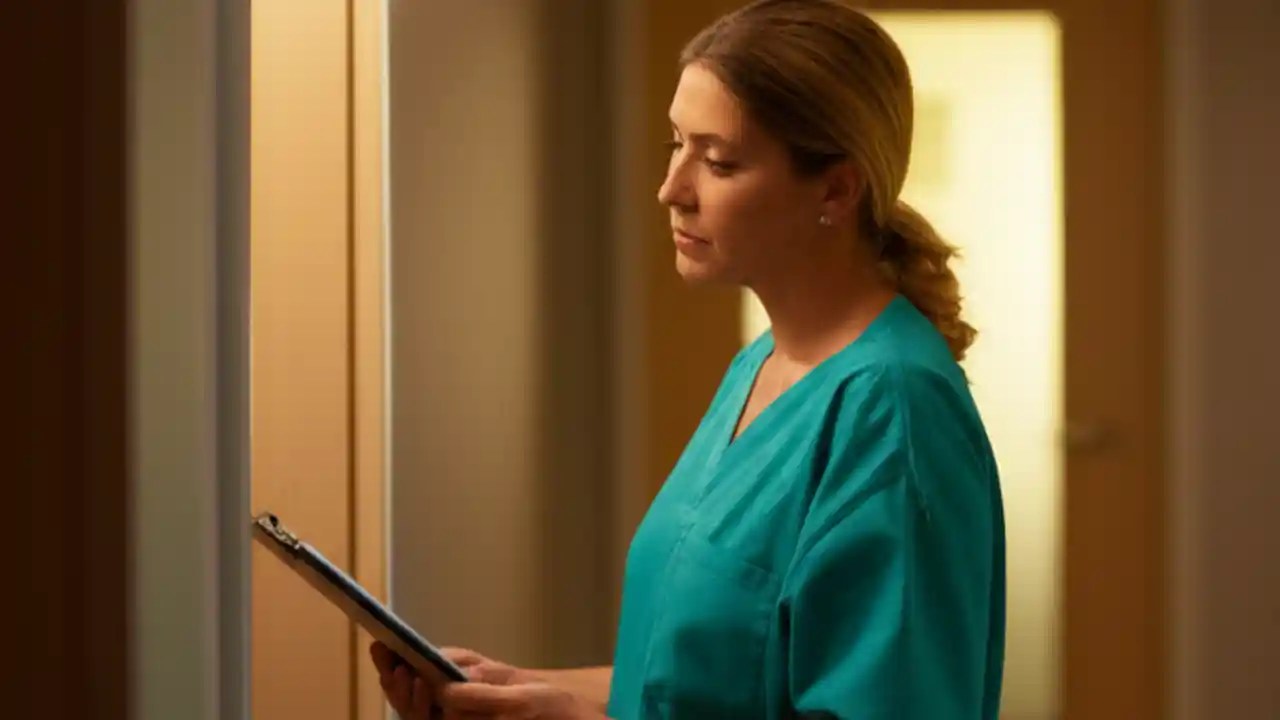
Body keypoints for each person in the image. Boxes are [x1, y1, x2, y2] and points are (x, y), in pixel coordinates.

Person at [372, 0, 1006, 717]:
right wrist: (520, 690)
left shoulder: (893, 415)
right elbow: (707, 678)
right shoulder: (763, 366)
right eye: (676, 144)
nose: (672, 189)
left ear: (835, 188)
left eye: (719, 161)